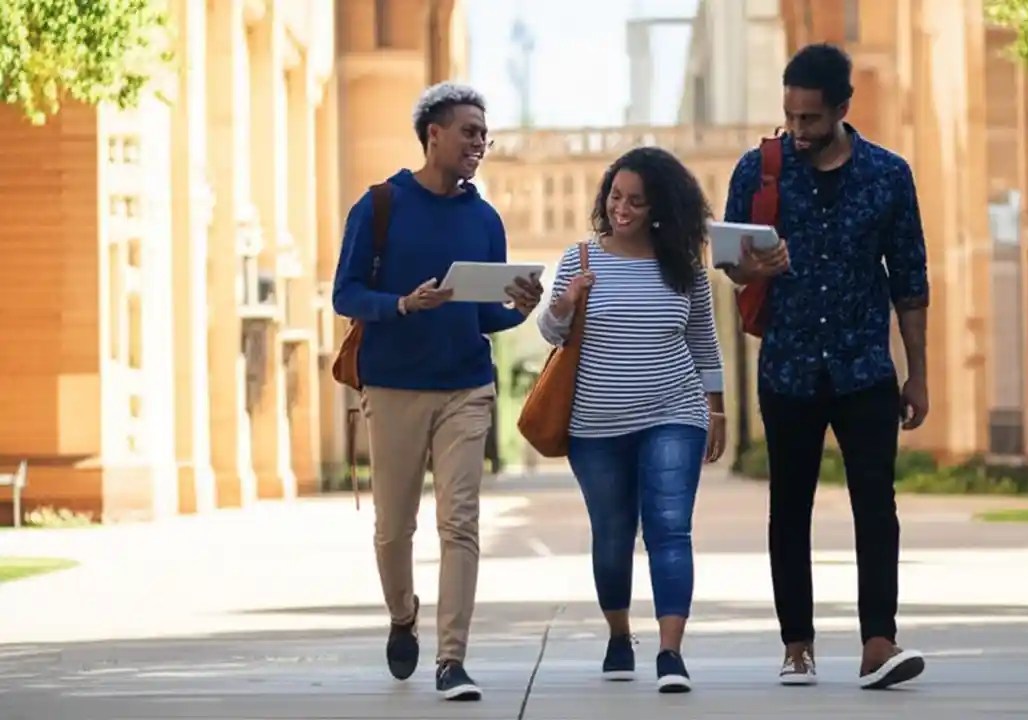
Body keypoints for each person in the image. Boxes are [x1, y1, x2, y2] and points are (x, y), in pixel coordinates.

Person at [718, 43, 930, 689]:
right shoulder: (759, 170)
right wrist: (754, 268)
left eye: (810, 118)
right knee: (790, 507)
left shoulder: (888, 176)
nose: (798, 131)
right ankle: (798, 646)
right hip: (788, 368)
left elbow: (911, 280)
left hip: (865, 366)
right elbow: (730, 264)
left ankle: (878, 643)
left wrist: (917, 371)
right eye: (790, 117)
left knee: (876, 504)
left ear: (842, 108)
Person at [332, 82, 542, 701]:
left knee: (461, 523)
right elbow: (345, 295)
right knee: (393, 526)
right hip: (394, 385)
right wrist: (402, 303)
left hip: (466, 386)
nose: (480, 143)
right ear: (434, 135)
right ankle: (403, 615)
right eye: (470, 132)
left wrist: (519, 308)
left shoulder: (485, 218)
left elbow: (486, 316)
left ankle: (453, 658)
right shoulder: (378, 206)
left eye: (485, 134)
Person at [537, 147, 726, 694]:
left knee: (670, 529)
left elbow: (704, 346)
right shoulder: (580, 260)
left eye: (636, 201)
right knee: (613, 534)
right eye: (616, 197)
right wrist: (565, 302)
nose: (622, 208)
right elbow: (551, 336)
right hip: (594, 427)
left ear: (658, 208)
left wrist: (716, 410)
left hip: (674, 414)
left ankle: (671, 653)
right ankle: (620, 635)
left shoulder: (684, 269)